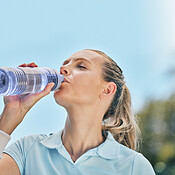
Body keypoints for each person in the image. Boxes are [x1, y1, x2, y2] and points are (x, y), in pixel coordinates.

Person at [0, 49, 156, 175]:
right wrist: (10, 114)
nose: (63, 69)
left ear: (107, 90)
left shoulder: (133, 166)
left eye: (81, 66)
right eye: (65, 64)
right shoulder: (27, 150)